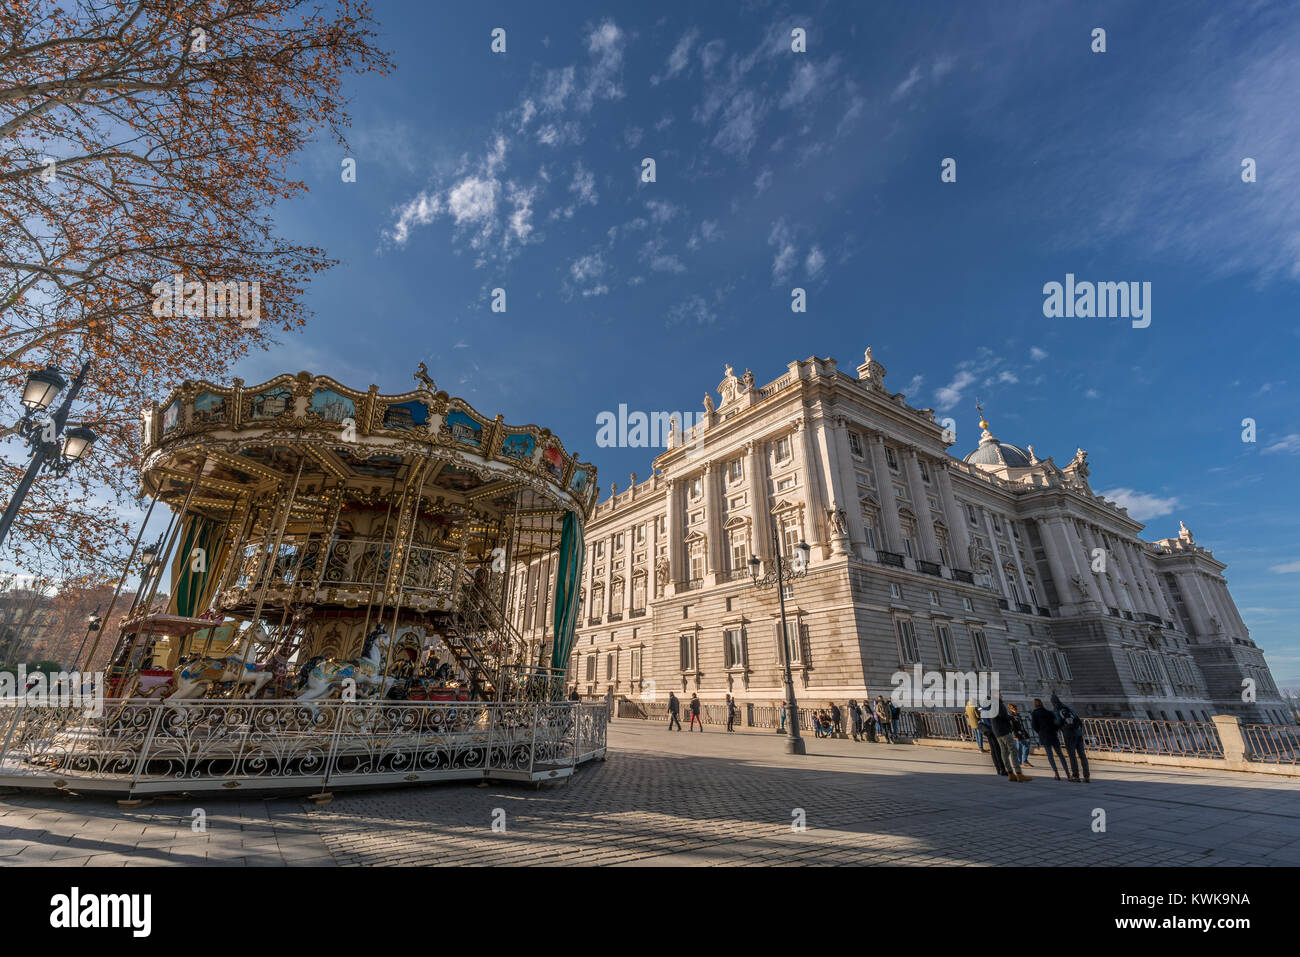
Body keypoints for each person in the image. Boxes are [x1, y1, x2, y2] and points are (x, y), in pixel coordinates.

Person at [990, 696, 1030, 782]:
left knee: (1004, 752)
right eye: (1000, 694)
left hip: (997, 732)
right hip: (1004, 731)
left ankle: (1010, 773)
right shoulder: (999, 704)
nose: (1002, 696)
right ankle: (1019, 773)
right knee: (1013, 750)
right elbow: (1003, 716)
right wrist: (1012, 718)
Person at [1052, 693, 1090, 782]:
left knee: (1072, 756)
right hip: (1078, 734)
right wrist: (1080, 732)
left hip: (1069, 735)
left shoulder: (1056, 710)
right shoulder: (1069, 708)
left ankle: (1075, 776)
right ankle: (1087, 776)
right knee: (1082, 755)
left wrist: (1055, 723)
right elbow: (1078, 720)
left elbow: (1057, 722)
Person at [1031, 697, 1070, 780]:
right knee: (1060, 755)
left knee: (1050, 756)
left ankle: (1056, 774)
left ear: (1034, 705)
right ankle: (1068, 774)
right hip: (1053, 735)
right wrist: (1054, 730)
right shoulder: (1049, 712)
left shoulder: (1034, 713)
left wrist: (1040, 732)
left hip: (1044, 736)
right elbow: (1055, 723)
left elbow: (1034, 726)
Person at [1008, 702, 1033, 767]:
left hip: (1021, 733)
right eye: (1014, 708)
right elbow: (1012, 727)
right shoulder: (1011, 716)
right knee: (1025, 746)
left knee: (1020, 748)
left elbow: (1021, 725)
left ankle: (1020, 762)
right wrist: (1015, 735)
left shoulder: (1018, 715)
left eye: (1016, 708)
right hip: (1017, 734)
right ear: (1011, 709)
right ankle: (1024, 761)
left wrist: (1026, 733)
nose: (1016, 709)